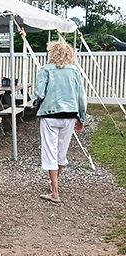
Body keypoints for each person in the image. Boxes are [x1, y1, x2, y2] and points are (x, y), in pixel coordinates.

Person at [35, 41, 87, 203]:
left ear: (51, 53)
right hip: (70, 115)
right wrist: (82, 117)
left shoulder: (45, 70)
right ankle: (54, 182)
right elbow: (81, 97)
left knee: (50, 150)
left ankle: (55, 191)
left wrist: (37, 108)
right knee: (61, 152)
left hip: (50, 114)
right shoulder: (75, 72)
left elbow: (39, 94)